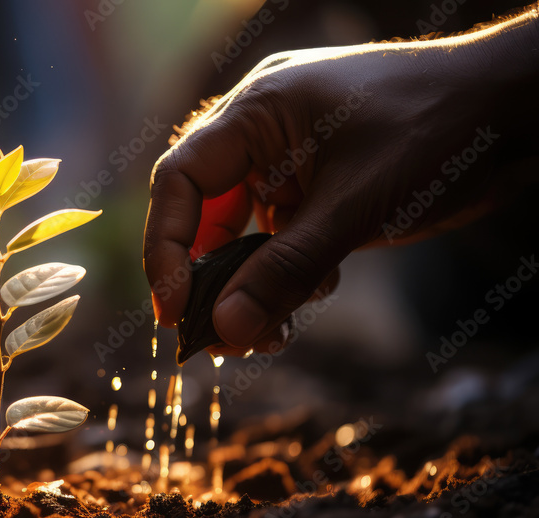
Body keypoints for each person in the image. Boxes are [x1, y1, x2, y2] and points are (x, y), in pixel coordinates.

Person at [143, 3, 539, 358]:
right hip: (469, 231)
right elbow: (260, 23)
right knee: (441, 296)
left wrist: (483, 84)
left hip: (488, 203)